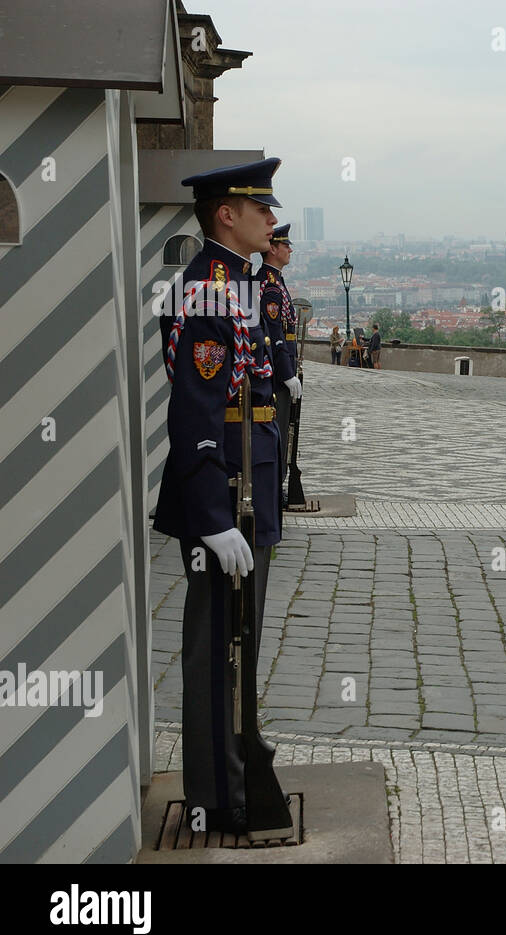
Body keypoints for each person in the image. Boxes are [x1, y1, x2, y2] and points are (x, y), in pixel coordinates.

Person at [152, 158, 285, 834]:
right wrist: (209, 516)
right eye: (258, 206)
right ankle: (217, 798)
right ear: (225, 214)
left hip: (248, 486)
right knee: (215, 649)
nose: (271, 216)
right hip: (224, 495)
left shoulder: (238, 283)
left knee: (241, 644)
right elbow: (197, 411)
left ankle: (235, 774)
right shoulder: (208, 289)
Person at [255, 224, 303, 497]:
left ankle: (277, 484)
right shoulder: (270, 286)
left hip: (282, 364)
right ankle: (274, 486)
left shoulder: (276, 280)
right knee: (278, 428)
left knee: (283, 428)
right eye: (285, 245)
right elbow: (274, 334)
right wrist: (286, 372)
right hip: (277, 369)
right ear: (272, 249)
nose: (290, 249)